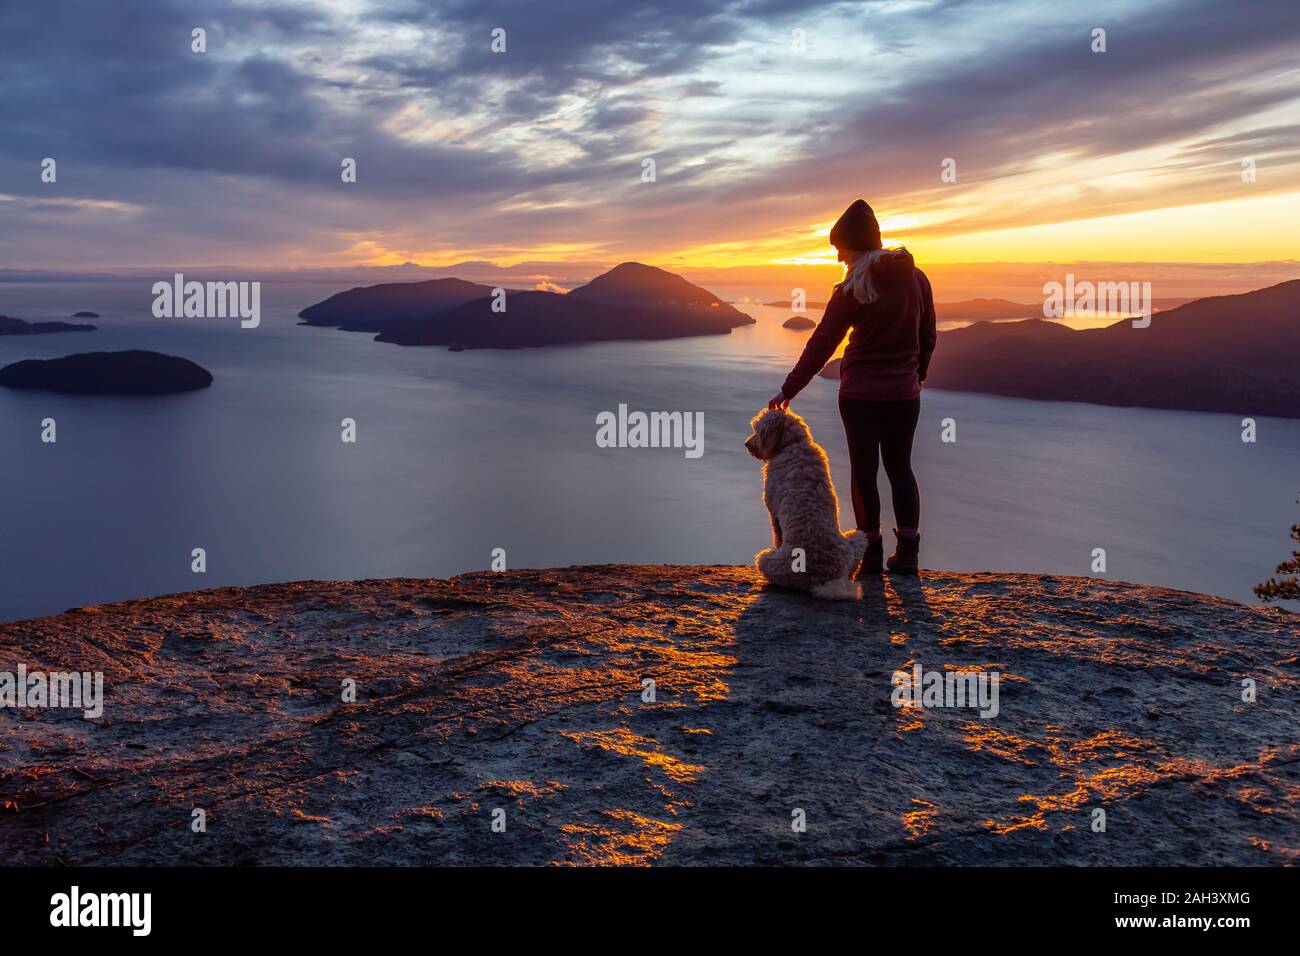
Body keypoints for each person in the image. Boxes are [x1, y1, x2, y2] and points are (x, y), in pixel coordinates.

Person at [768, 199, 936, 574]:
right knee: (901, 468)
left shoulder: (852, 288)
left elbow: (822, 343)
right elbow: (928, 334)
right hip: (904, 395)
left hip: (860, 396)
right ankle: (908, 553)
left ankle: (870, 554)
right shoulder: (918, 279)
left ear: (856, 245)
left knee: (864, 471)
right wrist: (917, 374)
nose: (839, 256)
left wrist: (789, 390)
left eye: (841, 248)